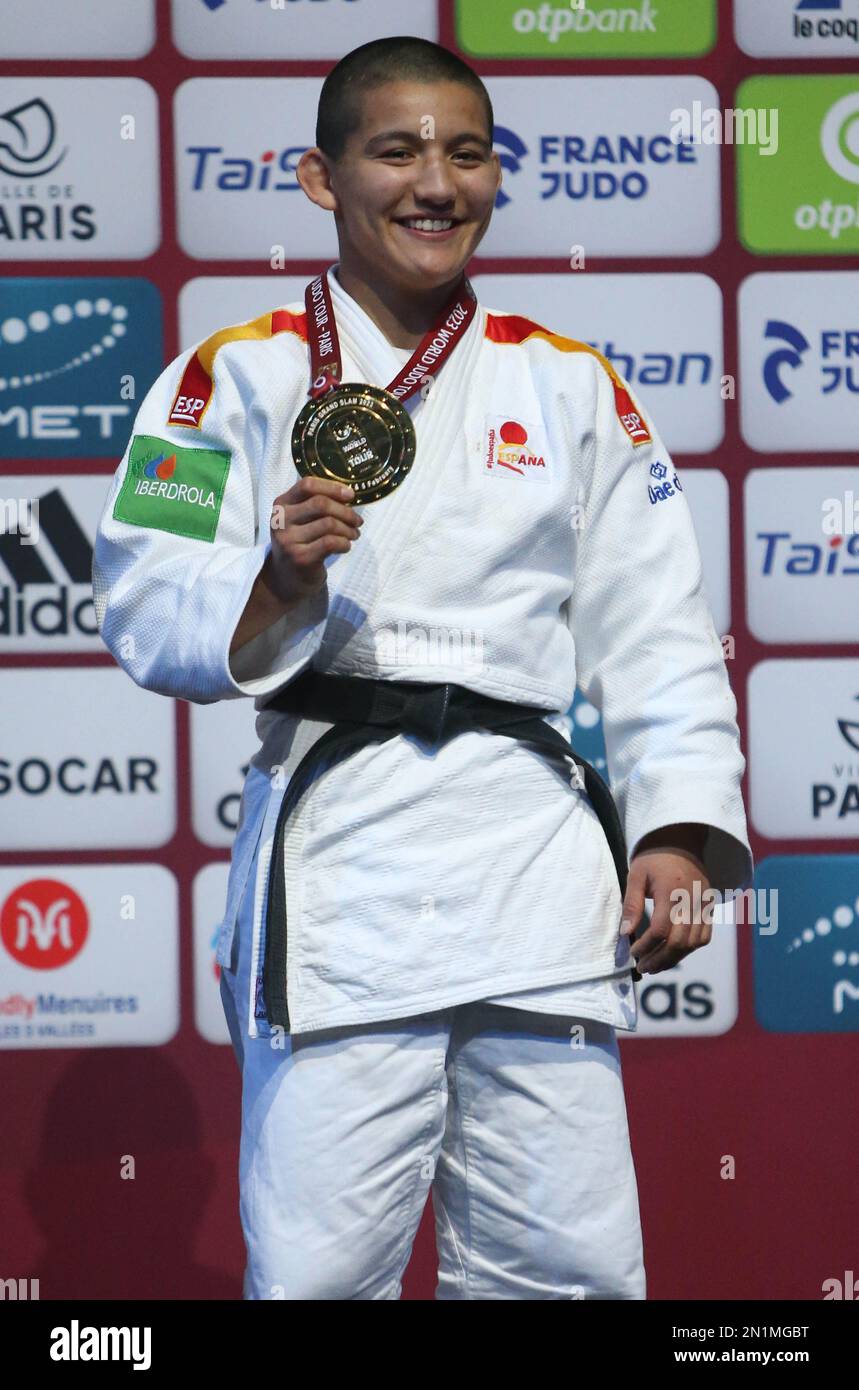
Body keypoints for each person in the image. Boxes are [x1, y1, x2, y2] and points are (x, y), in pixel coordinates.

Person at [92, 36, 753, 1300]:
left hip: (533, 863)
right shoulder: (225, 375)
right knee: (317, 1270)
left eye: (465, 152)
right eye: (396, 150)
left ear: (498, 176)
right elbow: (142, 598)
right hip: (343, 864)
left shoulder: (570, 386)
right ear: (318, 177)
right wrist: (274, 584)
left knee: (567, 1267)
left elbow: (658, 627)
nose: (434, 181)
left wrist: (673, 827)